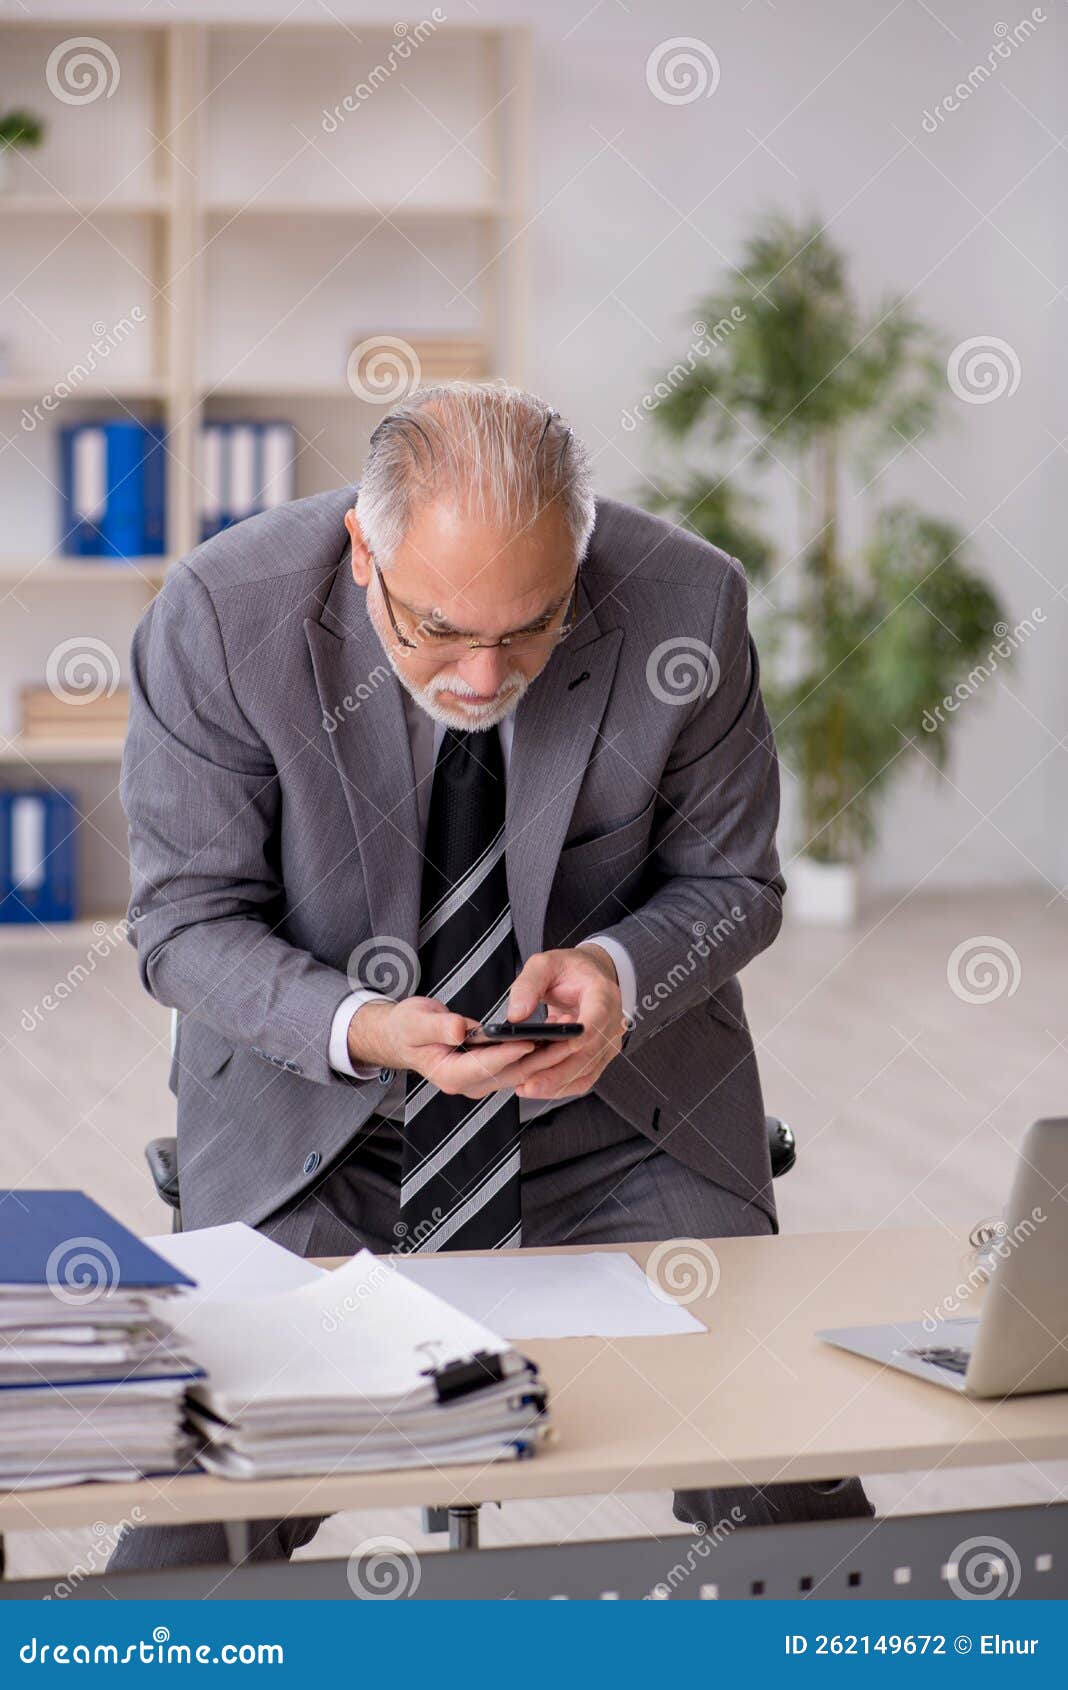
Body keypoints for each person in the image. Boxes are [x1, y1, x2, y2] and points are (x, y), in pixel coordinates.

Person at [114, 381, 871, 1568]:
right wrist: (362, 1025)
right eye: (439, 630)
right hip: (323, 1134)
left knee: (791, 1483)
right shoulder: (221, 615)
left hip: (618, 1127)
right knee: (195, 1531)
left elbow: (734, 883)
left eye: (530, 628)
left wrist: (618, 972)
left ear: (581, 556)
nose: (481, 677)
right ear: (362, 551)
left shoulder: (688, 603)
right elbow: (182, 922)